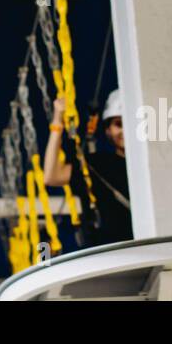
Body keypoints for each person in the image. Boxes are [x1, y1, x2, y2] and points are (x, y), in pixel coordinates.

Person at [43, 89, 133, 246]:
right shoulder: (97, 165)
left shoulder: (161, 165)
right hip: (113, 252)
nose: (125, 131)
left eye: (132, 123)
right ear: (108, 131)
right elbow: (52, 176)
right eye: (119, 124)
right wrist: (57, 121)